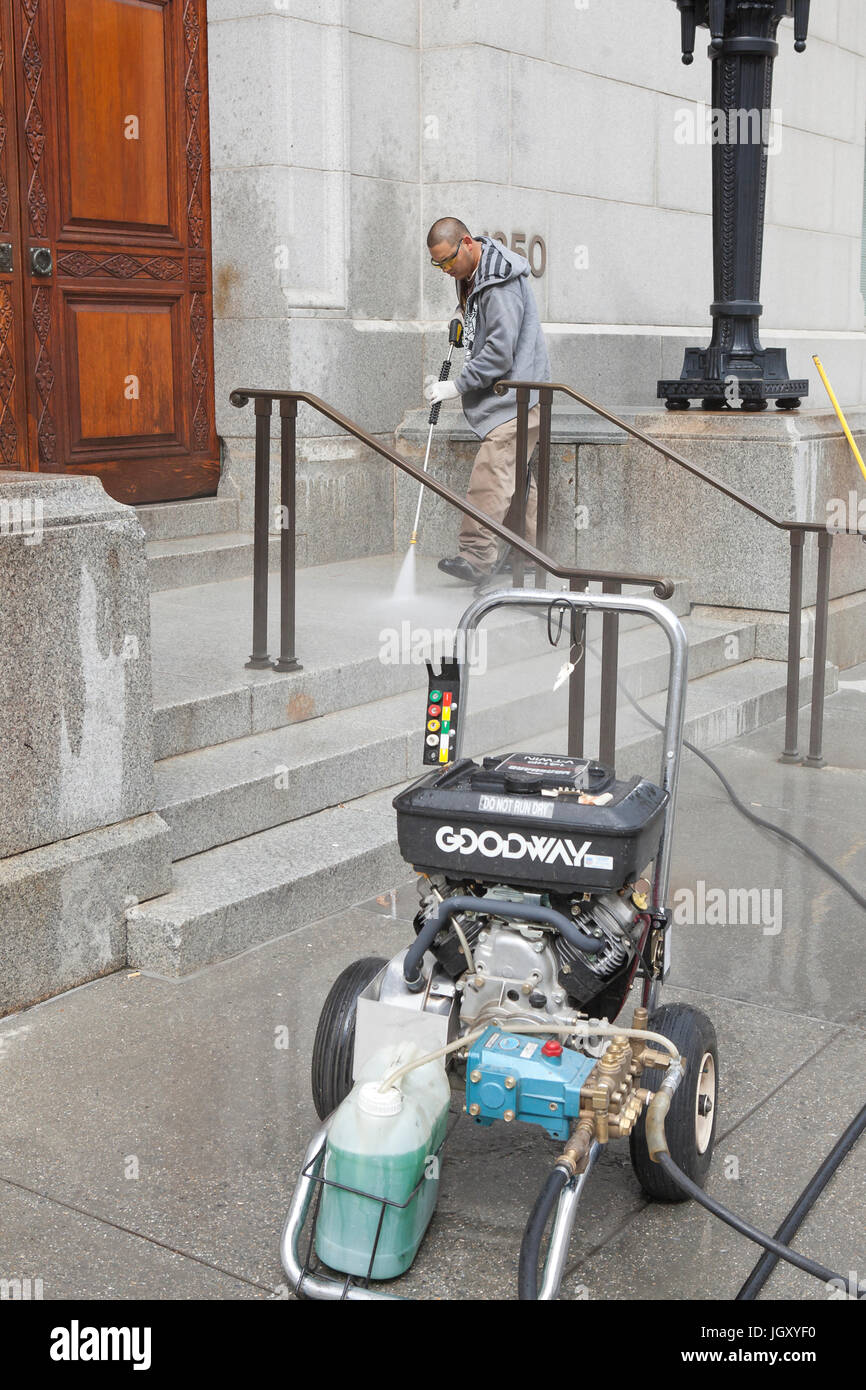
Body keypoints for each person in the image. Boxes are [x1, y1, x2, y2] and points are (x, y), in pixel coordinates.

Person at [424, 217, 551, 582]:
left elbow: (499, 352)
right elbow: (483, 326)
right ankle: (530, 557)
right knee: (516, 478)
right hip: (511, 396)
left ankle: (477, 558)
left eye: (449, 260)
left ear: (467, 242)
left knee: (492, 470)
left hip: (516, 398)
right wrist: (463, 319)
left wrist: (456, 386)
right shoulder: (473, 275)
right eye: (439, 265)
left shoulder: (499, 283)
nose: (447, 270)